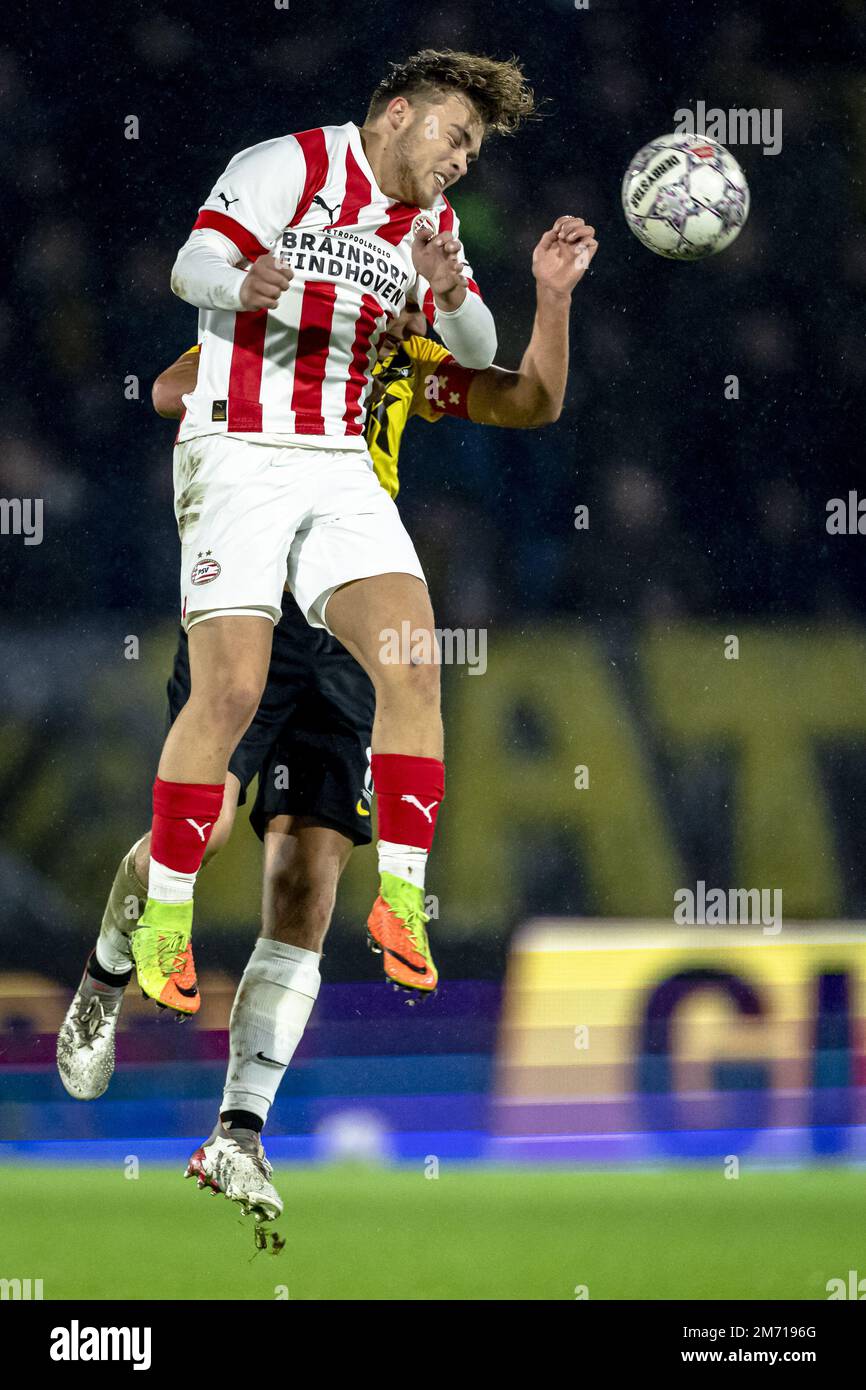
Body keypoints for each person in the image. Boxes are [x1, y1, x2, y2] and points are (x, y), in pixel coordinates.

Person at [57, 216, 598, 1220]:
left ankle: (238, 1130)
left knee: (309, 870)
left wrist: (551, 299)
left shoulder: (411, 354)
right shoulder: (276, 323)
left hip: (345, 610)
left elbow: (528, 398)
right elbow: (173, 390)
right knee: (208, 828)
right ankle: (104, 970)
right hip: (257, 586)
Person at [127, 50, 539, 1025]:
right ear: (398, 115)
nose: (460, 162)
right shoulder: (291, 166)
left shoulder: (428, 226)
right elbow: (190, 264)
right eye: (454, 136)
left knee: (412, 657)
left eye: (474, 151)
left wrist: (448, 290)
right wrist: (241, 286)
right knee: (228, 688)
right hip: (236, 447)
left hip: (338, 461)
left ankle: (399, 898)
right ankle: (165, 914)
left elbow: (478, 355)